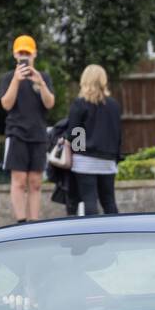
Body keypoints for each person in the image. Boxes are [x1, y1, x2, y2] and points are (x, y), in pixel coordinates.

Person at [0, 34, 55, 223]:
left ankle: (34, 221)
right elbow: (6, 104)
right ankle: (21, 221)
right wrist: (16, 79)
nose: (25, 57)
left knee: (36, 182)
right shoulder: (8, 78)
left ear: (35, 55)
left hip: (38, 134)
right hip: (17, 134)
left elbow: (49, 104)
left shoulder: (43, 77)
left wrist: (40, 83)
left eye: (28, 53)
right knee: (19, 180)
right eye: (21, 53)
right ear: (15, 55)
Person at [63, 64, 122, 216]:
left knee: (89, 200)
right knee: (109, 201)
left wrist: (79, 153)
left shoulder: (80, 104)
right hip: (108, 160)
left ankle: (93, 235)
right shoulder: (113, 105)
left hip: (85, 160)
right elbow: (117, 134)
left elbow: (76, 133)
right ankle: (118, 233)